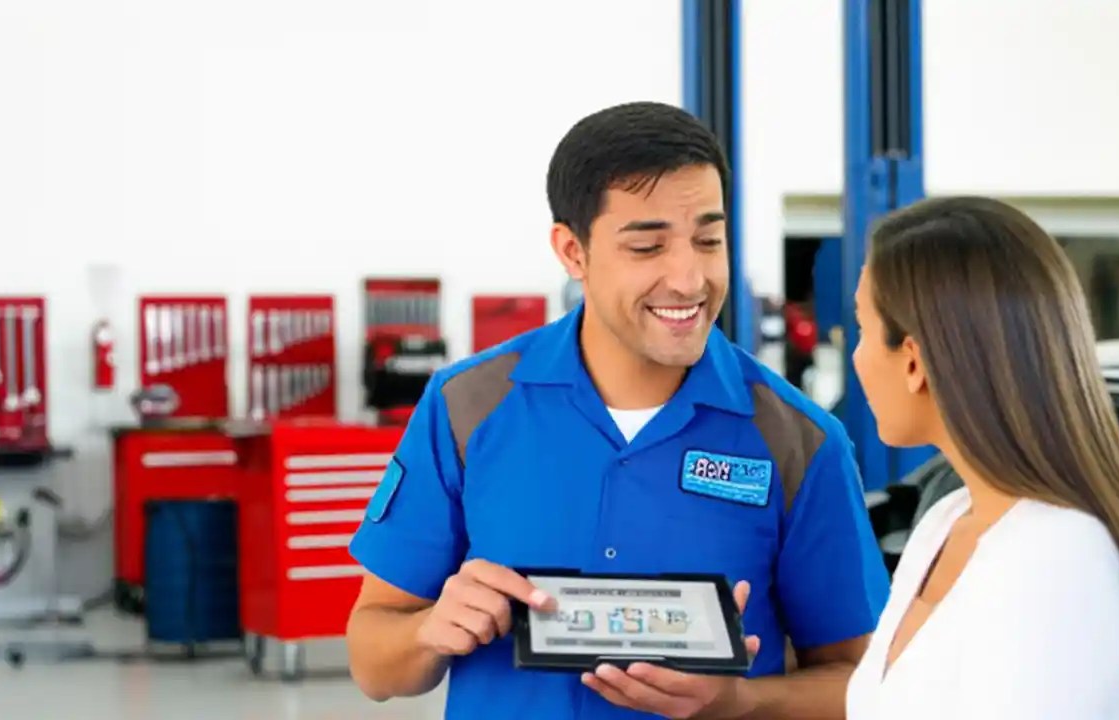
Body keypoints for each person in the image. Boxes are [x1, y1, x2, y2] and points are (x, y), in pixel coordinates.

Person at [345, 101, 889, 719]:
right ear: (572, 251)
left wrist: (743, 702)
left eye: (708, 241)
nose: (689, 279)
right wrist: (429, 631)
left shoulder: (799, 441)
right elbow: (372, 662)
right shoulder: (466, 408)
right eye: (648, 247)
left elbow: (863, 686)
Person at [843, 196, 1119, 718]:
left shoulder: (1057, 557)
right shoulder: (945, 521)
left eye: (862, 329)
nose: (856, 356)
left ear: (913, 362)